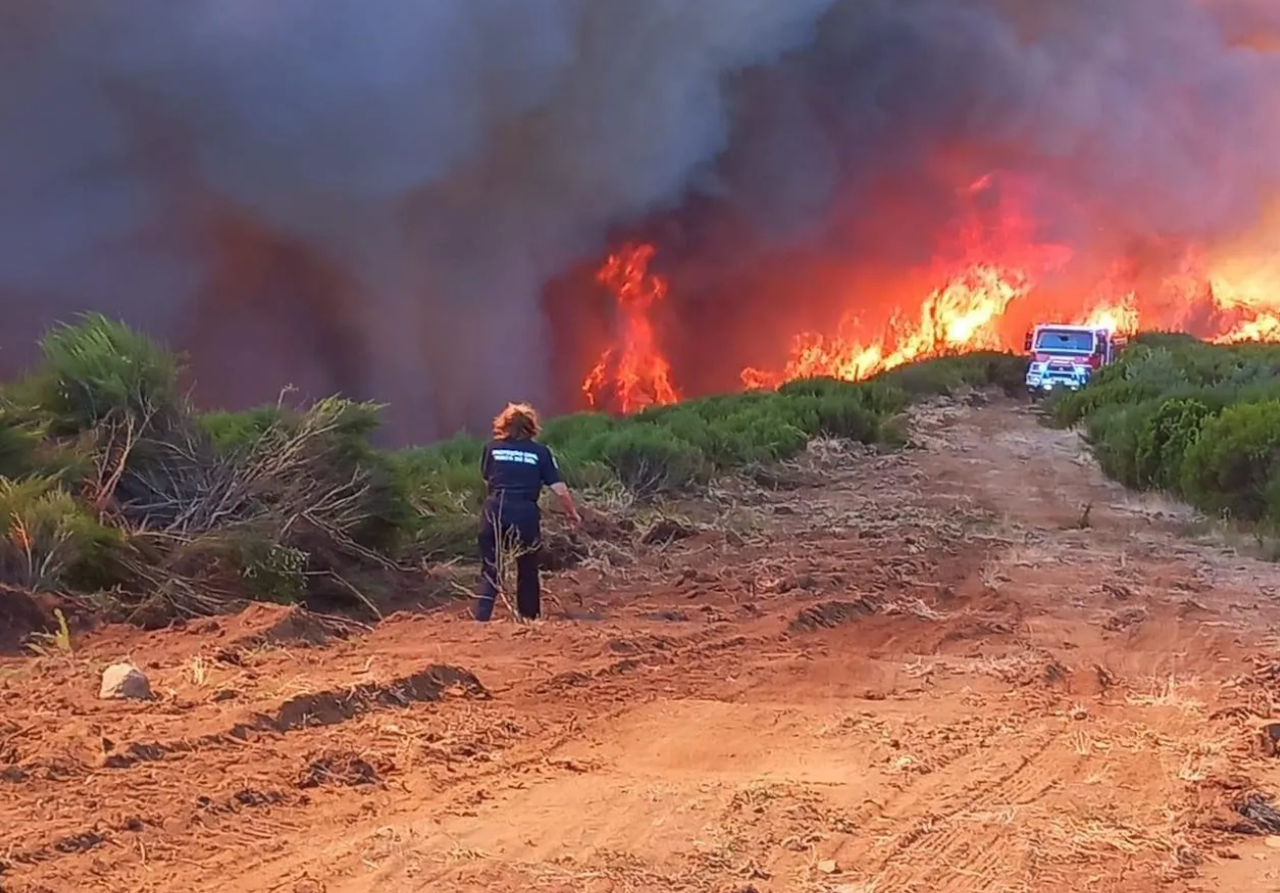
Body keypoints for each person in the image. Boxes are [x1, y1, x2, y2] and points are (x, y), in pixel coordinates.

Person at [474, 402, 581, 622]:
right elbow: (559, 489)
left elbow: (487, 478)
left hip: (495, 510)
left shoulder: (492, 448)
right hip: (525, 513)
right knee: (528, 567)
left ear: (504, 424)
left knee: (491, 566)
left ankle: (481, 618)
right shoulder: (540, 453)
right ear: (532, 426)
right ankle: (529, 619)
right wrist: (572, 513)